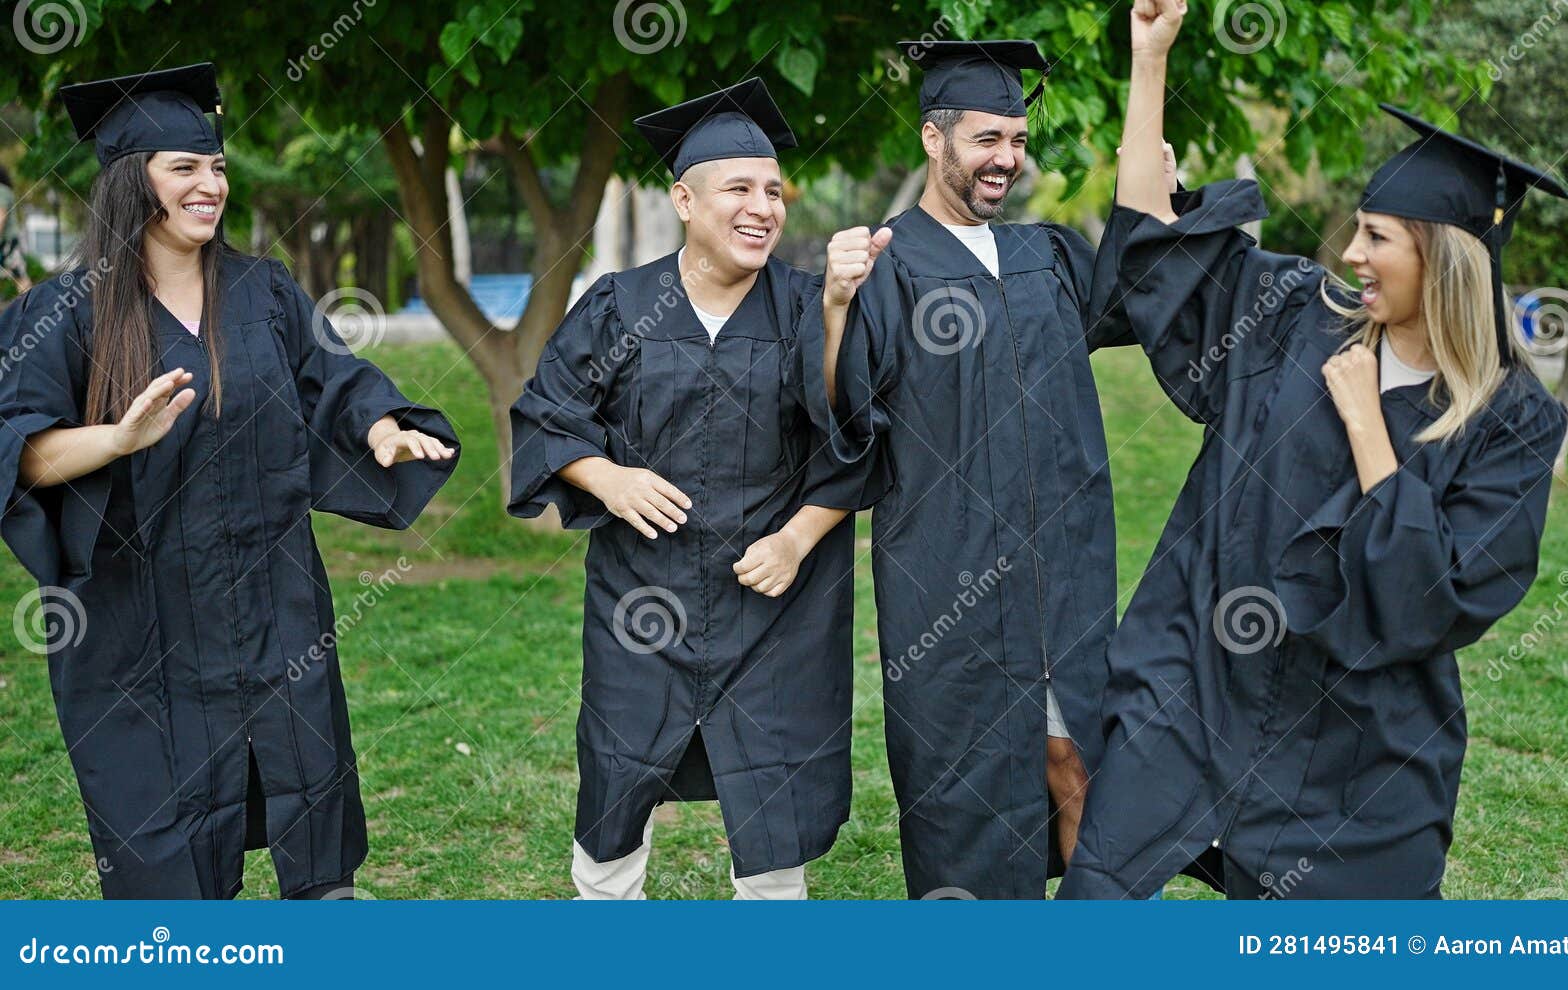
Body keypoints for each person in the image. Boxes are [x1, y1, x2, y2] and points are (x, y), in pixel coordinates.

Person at [1063, 0, 1568, 899]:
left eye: (1379, 237)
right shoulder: (1295, 315)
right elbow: (1156, 252)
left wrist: (1372, 437)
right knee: (1097, 905)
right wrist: (1151, 60)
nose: (1355, 253)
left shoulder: (1510, 420)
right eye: (1358, 231)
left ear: (1446, 258)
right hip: (1196, 684)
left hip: (1358, 743)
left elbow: (1436, 605)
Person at [0, 63, 459, 899]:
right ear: (127, 183)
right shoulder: (65, 314)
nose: (210, 184)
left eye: (215, 166)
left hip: (278, 615)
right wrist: (116, 437)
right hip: (141, 636)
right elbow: (18, 450)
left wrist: (383, 427)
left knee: (317, 843)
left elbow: (331, 381)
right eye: (184, 168)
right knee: (169, 869)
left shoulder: (263, 291)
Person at [508, 79, 865, 900]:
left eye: (774, 190)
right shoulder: (619, 306)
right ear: (684, 198)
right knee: (615, 787)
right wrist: (605, 475)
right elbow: (546, 414)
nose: (762, 207)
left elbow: (858, 435)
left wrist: (797, 539)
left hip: (778, 607)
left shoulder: (813, 304)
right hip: (643, 599)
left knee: (773, 821)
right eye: (739, 187)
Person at [809, 39, 1148, 899]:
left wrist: (1149, 62)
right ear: (934, 140)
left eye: (1017, 141)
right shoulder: (892, 266)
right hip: (949, 587)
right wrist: (836, 306)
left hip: (1066, 575)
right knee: (965, 807)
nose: (1006, 158)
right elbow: (845, 418)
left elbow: (1147, 267)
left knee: (1085, 775)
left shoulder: (1051, 256)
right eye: (986, 139)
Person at [0, 164, 32, 297]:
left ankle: (32, 310)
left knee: (20, 278)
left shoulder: (1, 190)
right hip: (7, 241)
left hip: (7, 242)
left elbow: (1, 217)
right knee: (20, 278)